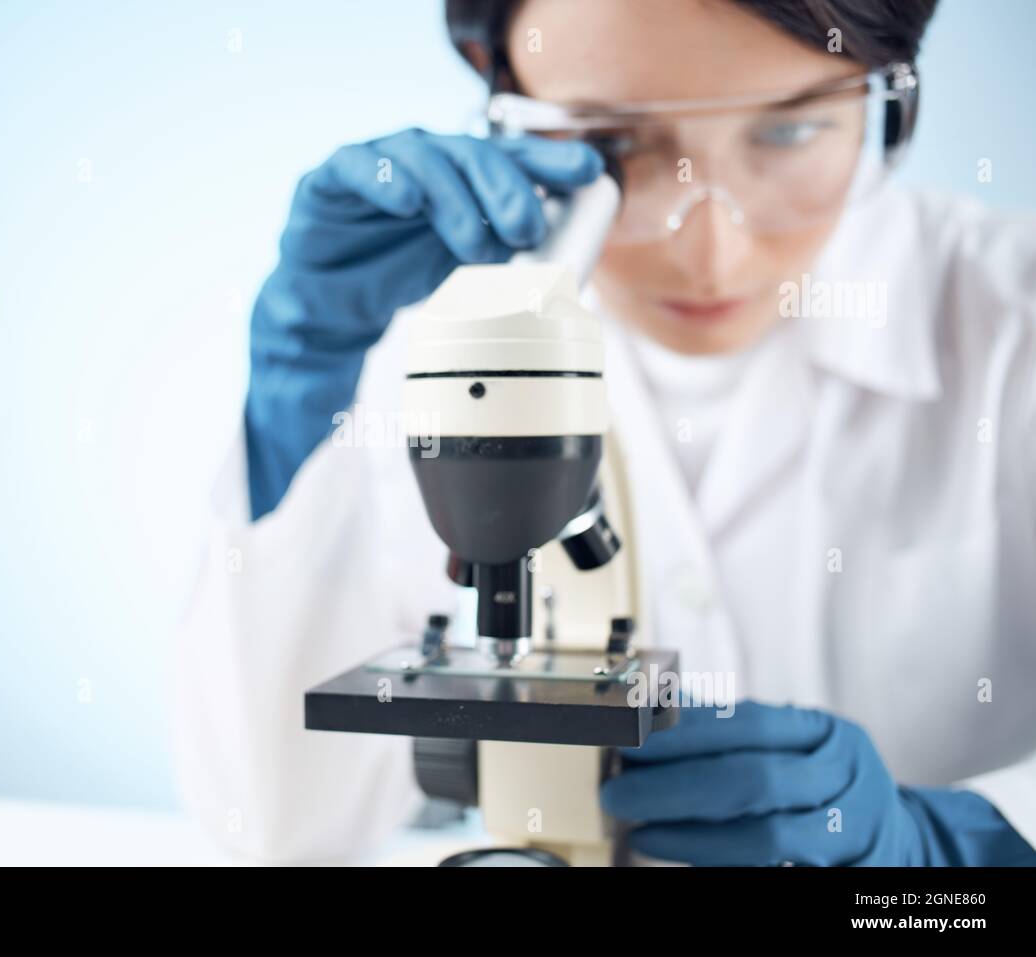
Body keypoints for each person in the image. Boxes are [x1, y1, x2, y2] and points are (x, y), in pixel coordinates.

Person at [172, 0, 1036, 865]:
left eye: (790, 133)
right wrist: (295, 400)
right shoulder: (431, 346)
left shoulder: (1014, 323)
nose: (712, 252)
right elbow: (274, 824)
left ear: (893, 95)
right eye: (618, 146)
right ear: (497, 82)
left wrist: (960, 855)